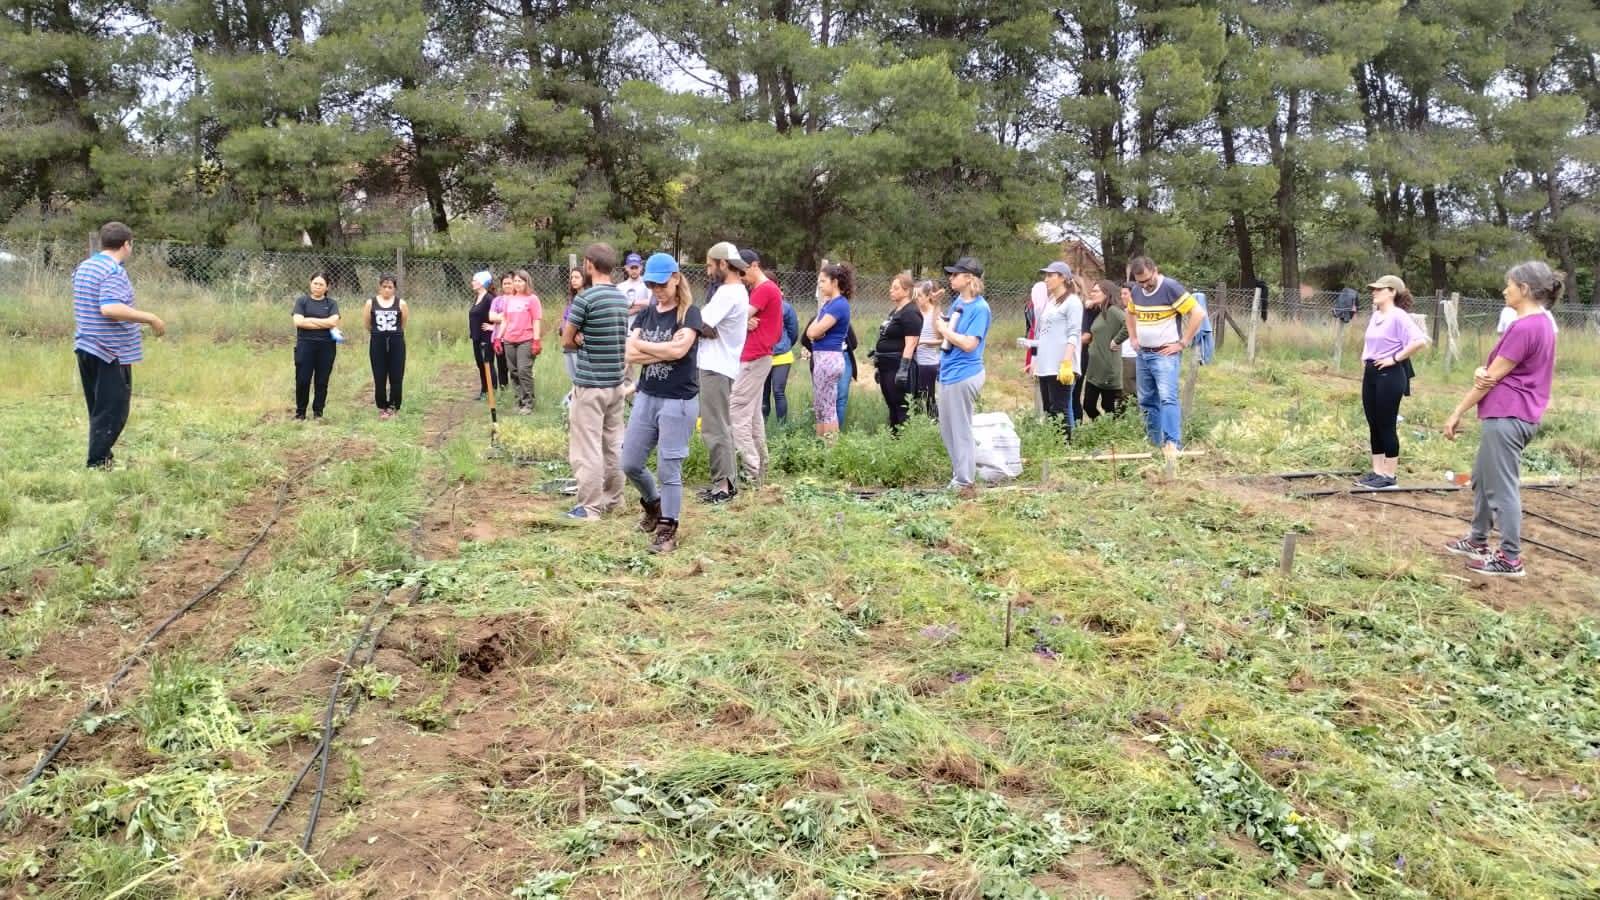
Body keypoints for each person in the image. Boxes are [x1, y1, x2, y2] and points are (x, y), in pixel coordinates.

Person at [1442, 261, 1561, 578]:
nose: (1504, 289)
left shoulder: (1524, 327)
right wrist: (1483, 372)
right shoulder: (1543, 323)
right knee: (1482, 478)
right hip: (1515, 413)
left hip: (1508, 414)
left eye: (1509, 284)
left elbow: (1489, 380)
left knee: (1502, 489)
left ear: (1524, 289)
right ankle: (1478, 541)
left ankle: (1510, 558)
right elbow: (1498, 371)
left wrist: (1456, 412)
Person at [623, 254, 702, 553]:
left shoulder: (690, 314)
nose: (656, 289)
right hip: (647, 395)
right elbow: (630, 353)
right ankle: (653, 505)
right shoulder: (646, 314)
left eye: (661, 283)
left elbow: (681, 350)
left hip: (678, 401)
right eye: (651, 284)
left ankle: (668, 529)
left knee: (669, 468)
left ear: (676, 277)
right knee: (630, 462)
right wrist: (663, 350)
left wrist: (649, 348)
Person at [72, 221, 165, 468]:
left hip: (86, 346)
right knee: (113, 410)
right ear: (126, 244)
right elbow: (110, 307)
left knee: (99, 407)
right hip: (108, 351)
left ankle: (103, 458)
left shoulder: (86, 266)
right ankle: (98, 462)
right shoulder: (113, 271)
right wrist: (150, 318)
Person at [561, 243, 631, 520]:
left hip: (590, 384)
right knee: (613, 444)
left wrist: (581, 341)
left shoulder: (585, 299)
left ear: (588, 264)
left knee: (586, 447)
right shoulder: (620, 298)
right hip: (616, 383)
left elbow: (567, 339)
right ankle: (614, 500)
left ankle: (589, 507)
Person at [1356, 274, 1429, 489]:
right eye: (1374, 289)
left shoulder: (1399, 316)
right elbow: (1370, 341)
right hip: (1372, 372)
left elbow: (1419, 341)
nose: (1374, 292)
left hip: (1390, 374)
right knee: (1374, 422)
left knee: (1387, 424)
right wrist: (1365, 356)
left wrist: (1394, 359)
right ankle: (1377, 471)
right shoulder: (1376, 315)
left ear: (1392, 292)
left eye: (1379, 289)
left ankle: (1389, 476)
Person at [1123, 256, 1204, 449]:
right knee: (1146, 399)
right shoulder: (1136, 290)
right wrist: (1133, 337)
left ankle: (1172, 443)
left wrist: (1183, 342)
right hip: (1143, 353)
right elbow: (1129, 312)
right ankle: (1154, 442)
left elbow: (1198, 313)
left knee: (1167, 397)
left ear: (1155, 270)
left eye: (1146, 280)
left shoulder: (1170, 287)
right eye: (1139, 282)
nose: (1144, 285)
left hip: (1165, 354)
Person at [697, 242, 750, 502]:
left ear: (723, 264)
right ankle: (727, 481)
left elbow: (698, 321)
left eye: (710, 265)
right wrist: (703, 326)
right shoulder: (736, 291)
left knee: (714, 427)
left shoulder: (728, 293)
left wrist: (700, 325)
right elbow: (703, 324)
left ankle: (723, 486)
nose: (708, 272)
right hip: (721, 365)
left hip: (715, 367)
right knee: (721, 426)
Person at [933, 257, 991, 489]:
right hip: (948, 372)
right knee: (947, 429)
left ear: (969, 278)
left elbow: (969, 344)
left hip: (965, 373)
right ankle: (958, 476)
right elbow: (942, 332)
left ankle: (965, 481)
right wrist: (935, 306)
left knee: (960, 429)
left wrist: (945, 331)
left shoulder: (980, 308)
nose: (951, 278)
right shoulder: (958, 302)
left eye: (956, 274)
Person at [1016, 261, 1082, 441]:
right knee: (1049, 410)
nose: (1046, 280)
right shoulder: (1052, 302)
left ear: (1063, 278)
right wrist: (1035, 360)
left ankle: (1065, 448)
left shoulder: (1072, 302)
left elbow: (1074, 333)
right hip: (1046, 365)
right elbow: (1045, 335)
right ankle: (1054, 447)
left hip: (1060, 365)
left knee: (1060, 410)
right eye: (1045, 276)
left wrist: (1067, 363)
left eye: (1050, 276)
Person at [732, 249, 782, 482]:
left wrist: (742, 319)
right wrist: (743, 320)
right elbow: (742, 318)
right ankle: (760, 469)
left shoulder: (763, 289)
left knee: (736, 412)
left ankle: (750, 470)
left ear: (754, 265)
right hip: (756, 356)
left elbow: (734, 319)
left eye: (742, 271)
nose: (741, 277)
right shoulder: (761, 290)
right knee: (752, 415)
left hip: (754, 357)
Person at [805, 261, 853, 439]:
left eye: (823, 281)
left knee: (828, 407)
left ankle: (831, 450)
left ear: (835, 282)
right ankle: (819, 447)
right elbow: (810, 332)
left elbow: (814, 330)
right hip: (821, 358)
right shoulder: (828, 304)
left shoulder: (839, 305)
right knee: (819, 406)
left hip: (829, 359)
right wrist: (814, 332)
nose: (820, 285)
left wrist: (815, 332)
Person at [874, 272, 923, 434]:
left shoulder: (911, 312)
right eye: (891, 287)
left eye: (896, 288)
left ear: (906, 291)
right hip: (886, 366)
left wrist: (903, 371)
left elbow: (911, 343)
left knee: (902, 406)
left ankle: (904, 441)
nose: (891, 290)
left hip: (898, 367)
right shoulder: (896, 311)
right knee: (892, 406)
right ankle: (894, 440)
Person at [292, 272, 341, 421]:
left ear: (327, 287)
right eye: (315, 283)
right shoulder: (302, 301)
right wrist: (323, 323)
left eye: (321, 284)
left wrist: (310, 321)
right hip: (305, 345)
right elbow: (298, 322)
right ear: (310, 283)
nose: (318, 287)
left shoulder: (331, 303)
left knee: (322, 380)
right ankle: (300, 413)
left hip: (326, 347)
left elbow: (333, 322)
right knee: (303, 380)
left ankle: (318, 412)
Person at [364, 274, 409, 419]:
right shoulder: (370, 303)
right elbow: (367, 323)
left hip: (396, 341)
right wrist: (377, 333)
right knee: (379, 375)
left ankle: (394, 407)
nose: (387, 290)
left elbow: (403, 323)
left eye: (390, 287)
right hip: (378, 341)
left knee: (396, 375)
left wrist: (394, 334)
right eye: (384, 287)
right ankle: (382, 407)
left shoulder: (401, 303)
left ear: (394, 289)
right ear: (379, 287)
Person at [1082, 279, 1128, 419]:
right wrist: (1092, 304)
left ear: (1106, 293)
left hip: (1108, 367)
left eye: (1096, 291)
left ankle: (1113, 434)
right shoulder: (1100, 312)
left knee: (1108, 407)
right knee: (1088, 405)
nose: (1092, 293)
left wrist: (1116, 340)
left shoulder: (1113, 311)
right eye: (1092, 291)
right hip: (1094, 368)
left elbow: (1130, 325)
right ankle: (1101, 428)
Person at [499, 270, 543, 413]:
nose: (517, 284)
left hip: (526, 339)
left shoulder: (532, 299)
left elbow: (536, 320)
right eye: (515, 281)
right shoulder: (509, 299)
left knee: (524, 370)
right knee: (513, 371)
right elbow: (505, 320)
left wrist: (536, 340)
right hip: (509, 340)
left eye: (520, 281)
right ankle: (518, 401)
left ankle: (528, 403)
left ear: (526, 282)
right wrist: (498, 338)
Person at [764, 295, 800, 422]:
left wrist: (784, 344)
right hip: (763, 356)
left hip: (782, 356)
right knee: (764, 393)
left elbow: (794, 331)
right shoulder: (756, 306)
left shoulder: (786, 308)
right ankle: (763, 426)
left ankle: (782, 427)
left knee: (778, 392)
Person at [468, 270, 502, 400]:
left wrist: (493, 327)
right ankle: (484, 390)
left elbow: (502, 316)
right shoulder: (478, 297)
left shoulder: (489, 298)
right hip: (476, 337)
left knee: (487, 363)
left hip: (486, 337)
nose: (472, 283)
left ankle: (492, 391)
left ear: (482, 283)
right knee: (480, 364)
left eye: (475, 280)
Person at [912, 280, 943, 419]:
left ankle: (934, 423)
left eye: (919, 296)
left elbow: (942, 339)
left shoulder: (935, 314)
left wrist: (923, 342)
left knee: (928, 397)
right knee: (915, 397)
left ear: (928, 296)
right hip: (914, 362)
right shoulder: (914, 313)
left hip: (928, 363)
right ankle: (917, 425)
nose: (916, 299)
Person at [560, 267, 585, 385]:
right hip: (567, 344)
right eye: (572, 278)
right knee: (573, 379)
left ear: (585, 279)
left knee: (581, 379)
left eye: (577, 277)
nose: (573, 280)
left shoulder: (587, 298)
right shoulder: (572, 299)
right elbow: (565, 319)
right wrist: (562, 330)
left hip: (579, 345)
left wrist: (576, 333)